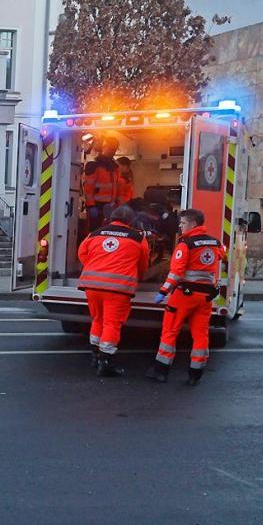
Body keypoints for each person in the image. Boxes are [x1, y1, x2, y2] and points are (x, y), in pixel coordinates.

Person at [148, 208, 222, 385]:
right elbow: (219, 259)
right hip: (205, 297)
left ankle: (161, 371)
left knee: (170, 331)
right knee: (201, 334)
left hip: (184, 295)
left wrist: (163, 292)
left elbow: (176, 273)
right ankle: (195, 373)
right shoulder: (215, 243)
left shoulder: (185, 245)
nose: (180, 226)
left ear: (193, 224)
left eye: (183, 223)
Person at [77, 204, 150, 377]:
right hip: (118, 288)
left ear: (111, 218)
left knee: (98, 319)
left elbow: (82, 254)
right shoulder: (138, 238)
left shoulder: (95, 234)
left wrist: (97, 266)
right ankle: (106, 361)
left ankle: (95, 355)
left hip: (92, 285)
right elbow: (143, 264)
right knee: (112, 324)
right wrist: (134, 275)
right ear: (131, 220)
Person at [80, 139, 120, 232]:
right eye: (110, 148)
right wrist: (91, 206)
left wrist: (115, 204)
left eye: (113, 149)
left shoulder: (114, 168)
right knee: (94, 232)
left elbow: (115, 187)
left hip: (110, 207)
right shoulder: (94, 166)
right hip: (97, 206)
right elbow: (88, 188)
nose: (112, 151)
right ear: (104, 148)